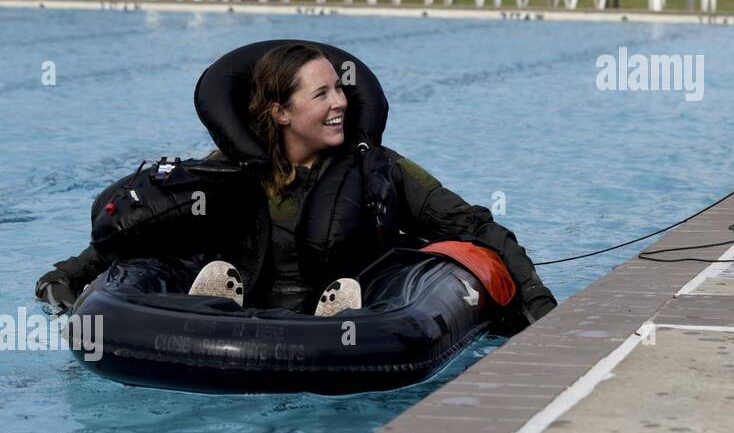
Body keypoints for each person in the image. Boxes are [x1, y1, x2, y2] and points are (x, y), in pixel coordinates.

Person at [36, 42, 557, 328]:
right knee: (204, 268)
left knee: (361, 296)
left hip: (352, 323)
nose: (340, 103)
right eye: (322, 94)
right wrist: (71, 272)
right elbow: (149, 228)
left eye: (340, 90)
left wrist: (534, 300)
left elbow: (475, 226)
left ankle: (338, 315)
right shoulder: (227, 171)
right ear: (281, 111)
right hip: (243, 322)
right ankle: (214, 307)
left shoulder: (380, 170)